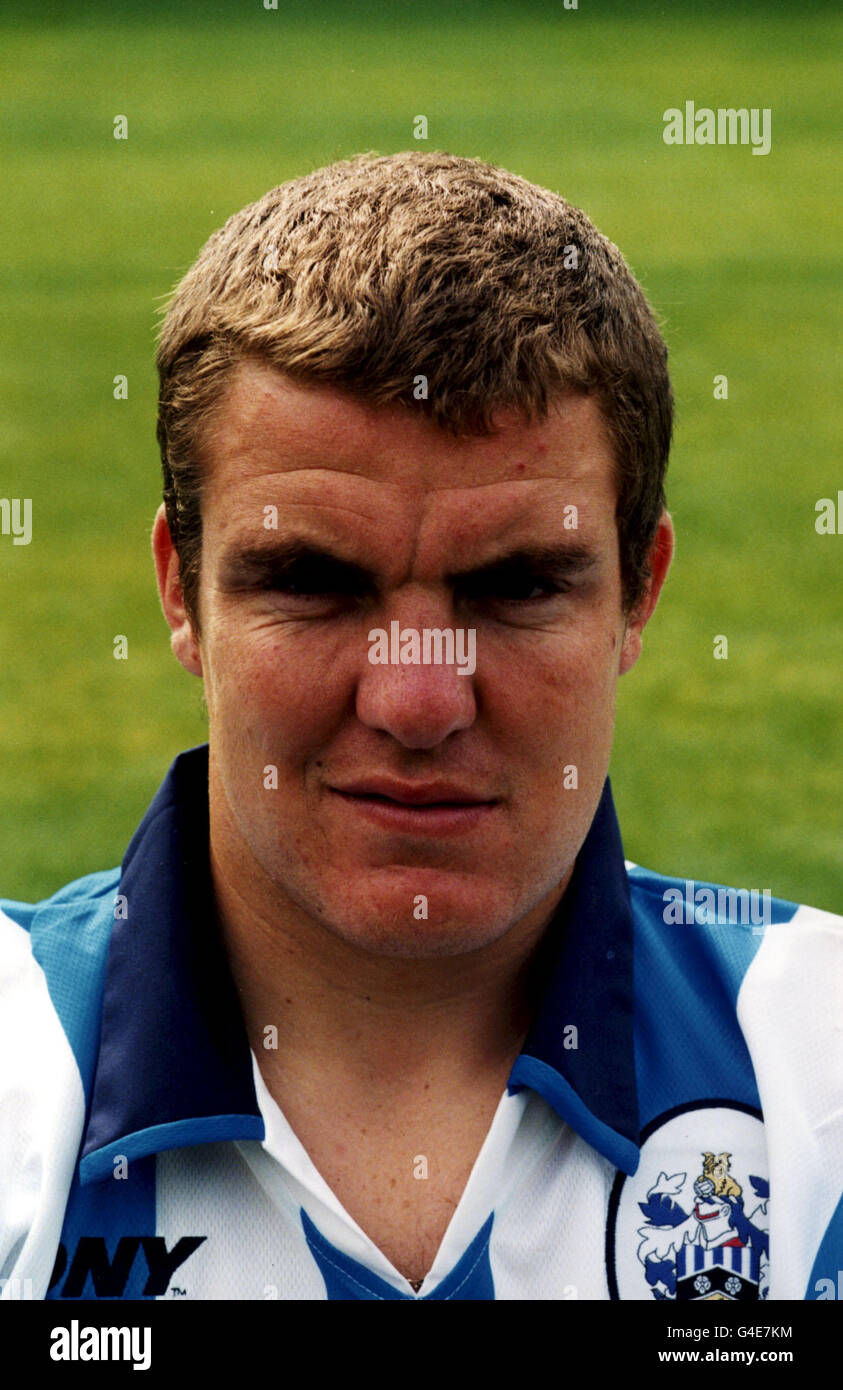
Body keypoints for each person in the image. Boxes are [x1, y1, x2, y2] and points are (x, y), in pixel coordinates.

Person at [1, 152, 839, 1303]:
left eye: (516, 587)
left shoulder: (821, 1069)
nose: (416, 702)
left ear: (639, 594)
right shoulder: (16, 1076)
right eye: (313, 581)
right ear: (181, 589)